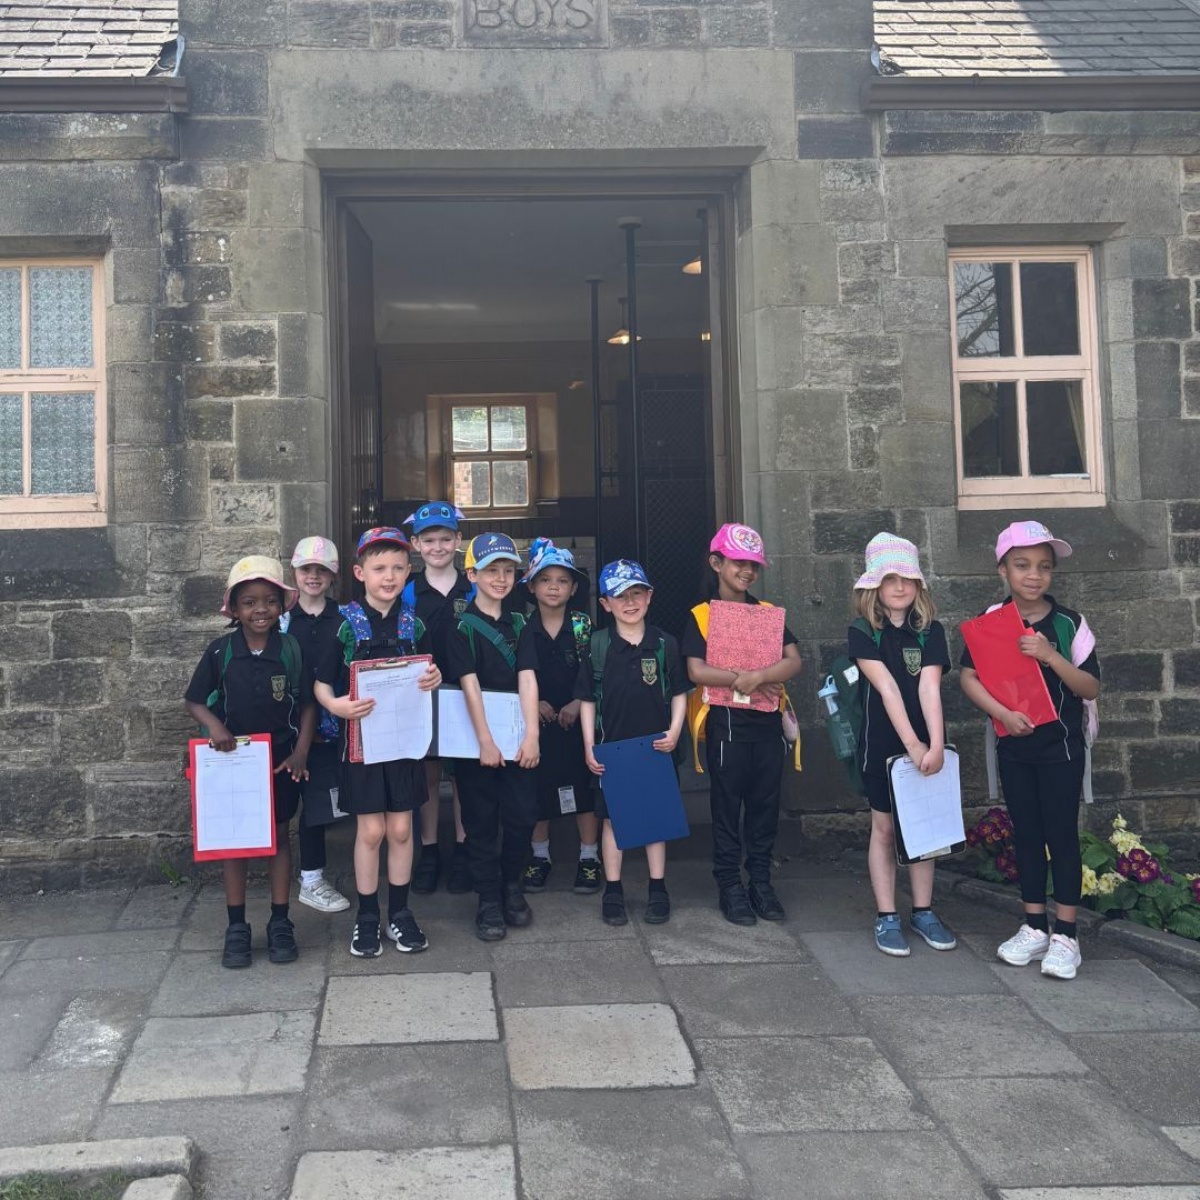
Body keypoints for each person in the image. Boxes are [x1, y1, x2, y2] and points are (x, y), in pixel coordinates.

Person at [960, 520, 1100, 981]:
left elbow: (1090, 687)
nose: (1034, 575)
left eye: (1044, 566)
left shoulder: (1069, 623)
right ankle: (1035, 925)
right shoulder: (991, 620)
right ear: (1003, 570)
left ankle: (1067, 936)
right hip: (1014, 743)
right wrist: (1002, 713)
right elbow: (969, 678)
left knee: (1061, 834)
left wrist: (1049, 655)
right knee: (1026, 833)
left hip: (1061, 747)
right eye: (1022, 565)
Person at [313, 527, 442, 959]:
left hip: (404, 743)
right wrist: (336, 705)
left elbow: (429, 670)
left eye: (398, 568)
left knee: (402, 829)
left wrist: (434, 677)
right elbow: (319, 684)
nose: (389, 576)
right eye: (379, 568)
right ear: (360, 573)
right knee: (371, 831)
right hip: (362, 744)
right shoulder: (343, 624)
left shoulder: (414, 623)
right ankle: (367, 916)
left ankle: (400, 913)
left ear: (408, 572)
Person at [184, 556, 316, 969]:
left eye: (270, 601)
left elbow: (308, 704)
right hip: (233, 762)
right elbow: (194, 700)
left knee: (279, 838)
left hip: (279, 761)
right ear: (235, 609)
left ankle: (280, 921)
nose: (261, 609)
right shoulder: (220, 651)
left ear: (281, 605)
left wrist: (301, 751)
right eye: (249, 602)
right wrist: (215, 727)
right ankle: (237, 926)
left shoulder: (290, 649)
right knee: (235, 843)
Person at [681, 523, 803, 925]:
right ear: (717, 563)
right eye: (738, 563)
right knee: (726, 807)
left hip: (767, 725)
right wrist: (745, 679)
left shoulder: (767, 613)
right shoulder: (701, 615)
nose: (747, 571)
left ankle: (761, 882)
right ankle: (730, 884)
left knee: (765, 807)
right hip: (726, 725)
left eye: (754, 565)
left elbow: (794, 661)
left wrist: (761, 676)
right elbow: (696, 670)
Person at [849, 533, 957, 958]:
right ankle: (887, 914)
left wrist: (935, 744)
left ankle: (924, 911)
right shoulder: (863, 632)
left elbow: (930, 688)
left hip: (926, 745)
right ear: (874, 585)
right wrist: (911, 744)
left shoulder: (931, 631)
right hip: (883, 746)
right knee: (885, 828)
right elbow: (888, 688)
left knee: (924, 828)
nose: (899, 587)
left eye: (907, 579)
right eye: (889, 579)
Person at [577, 559, 688, 927]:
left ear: (649, 597)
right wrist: (589, 745)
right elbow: (588, 700)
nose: (629, 602)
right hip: (612, 750)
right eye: (620, 596)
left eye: (636, 593)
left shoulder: (665, 644)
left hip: (656, 748)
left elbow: (679, 692)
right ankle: (613, 889)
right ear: (605, 603)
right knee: (612, 820)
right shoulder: (598, 645)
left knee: (656, 818)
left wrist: (675, 731)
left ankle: (658, 888)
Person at [445, 532, 541, 941]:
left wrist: (533, 734)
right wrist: (484, 740)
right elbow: (468, 683)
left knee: (522, 816)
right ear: (472, 574)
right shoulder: (460, 627)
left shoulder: (521, 623)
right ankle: (487, 898)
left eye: (507, 571)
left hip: (519, 738)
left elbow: (528, 678)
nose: (500, 579)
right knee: (480, 821)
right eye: (491, 571)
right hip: (476, 742)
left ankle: (511, 885)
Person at [517, 538, 602, 896]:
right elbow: (517, 675)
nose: (554, 587)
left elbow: (595, 673)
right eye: (545, 580)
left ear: (574, 588)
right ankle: (540, 856)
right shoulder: (522, 627)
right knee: (537, 789)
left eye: (562, 580)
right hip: (536, 725)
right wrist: (533, 703)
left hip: (577, 723)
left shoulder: (583, 627)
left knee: (584, 788)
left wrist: (578, 703)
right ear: (531, 586)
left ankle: (589, 856)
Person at [402, 501, 472, 895]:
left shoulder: (473, 587)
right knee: (428, 773)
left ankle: (463, 848)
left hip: (466, 692)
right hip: (423, 694)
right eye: (429, 540)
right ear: (416, 544)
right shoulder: (409, 592)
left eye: (446, 539)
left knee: (463, 774)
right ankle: (429, 850)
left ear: (458, 540)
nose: (438, 547)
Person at [280, 536, 350, 914]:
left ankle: (312, 878)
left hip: (329, 728)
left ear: (333, 575)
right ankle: (281, 877)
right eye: (306, 569)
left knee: (319, 805)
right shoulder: (280, 619)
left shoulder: (345, 619)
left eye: (321, 570)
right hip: (285, 726)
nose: (313, 576)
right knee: (282, 805)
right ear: (294, 571)